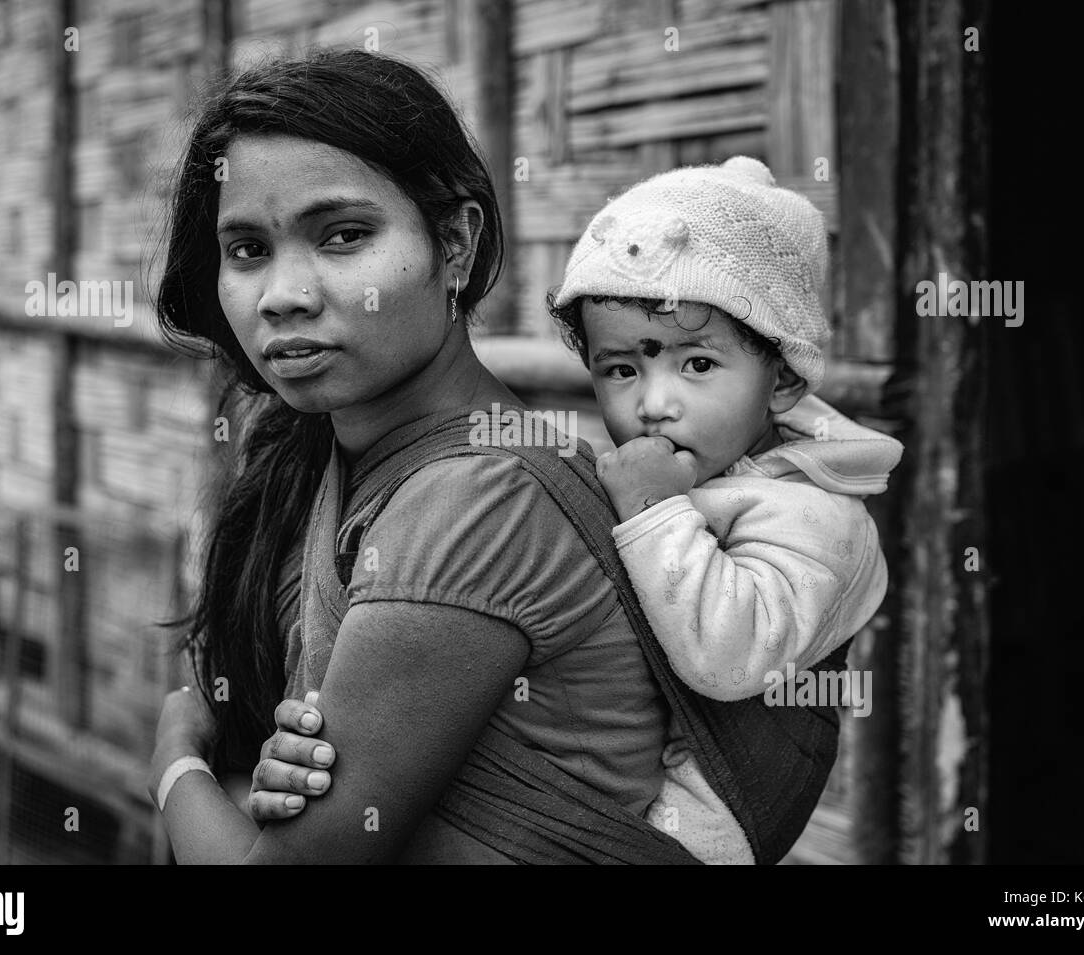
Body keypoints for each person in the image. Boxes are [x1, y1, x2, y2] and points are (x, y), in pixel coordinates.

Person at [250, 156, 904, 864]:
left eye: (698, 365)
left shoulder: (818, 516)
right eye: (622, 369)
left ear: (781, 379)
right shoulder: (642, 474)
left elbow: (727, 659)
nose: (654, 403)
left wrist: (654, 510)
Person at [146, 49, 688, 864]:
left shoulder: (479, 498)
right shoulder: (338, 452)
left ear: (456, 243)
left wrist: (173, 757)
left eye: (344, 235)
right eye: (248, 249)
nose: (282, 294)